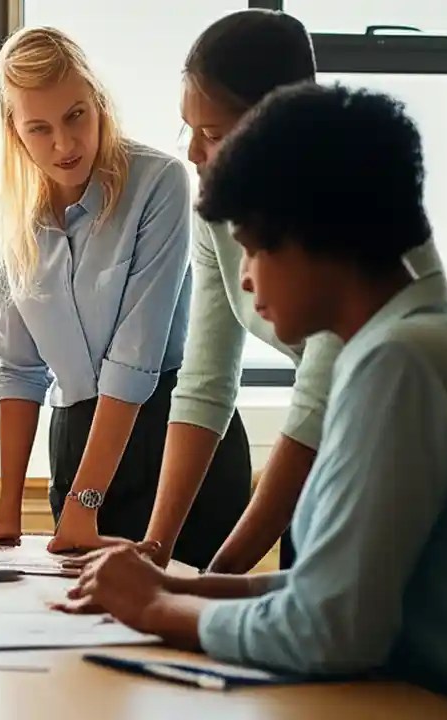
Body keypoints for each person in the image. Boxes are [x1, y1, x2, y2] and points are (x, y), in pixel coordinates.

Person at [64, 83, 447, 719]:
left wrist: (155, 609)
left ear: (318, 235)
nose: (247, 274)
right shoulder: (439, 336)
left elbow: (331, 629)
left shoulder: (396, 364)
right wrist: (183, 585)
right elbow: (340, 586)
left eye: (257, 247)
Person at [0, 27, 250, 564]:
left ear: (98, 102)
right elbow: (19, 371)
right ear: (14, 132)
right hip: (74, 438)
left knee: (177, 632)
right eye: (39, 128)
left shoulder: (159, 180)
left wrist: (84, 499)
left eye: (75, 116)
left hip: (168, 433)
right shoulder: (2, 216)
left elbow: (133, 361)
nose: (64, 145)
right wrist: (7, 513)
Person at [141, 9, 341, 574]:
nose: (192, 154)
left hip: (389, 471)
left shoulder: (343, 221)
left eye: (213, 134)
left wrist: (208, 582)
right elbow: (204, 382)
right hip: (325, 468)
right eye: (189, 129)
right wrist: (156, 553)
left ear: (279, 131)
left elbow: (312, 418)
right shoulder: (221, 213)